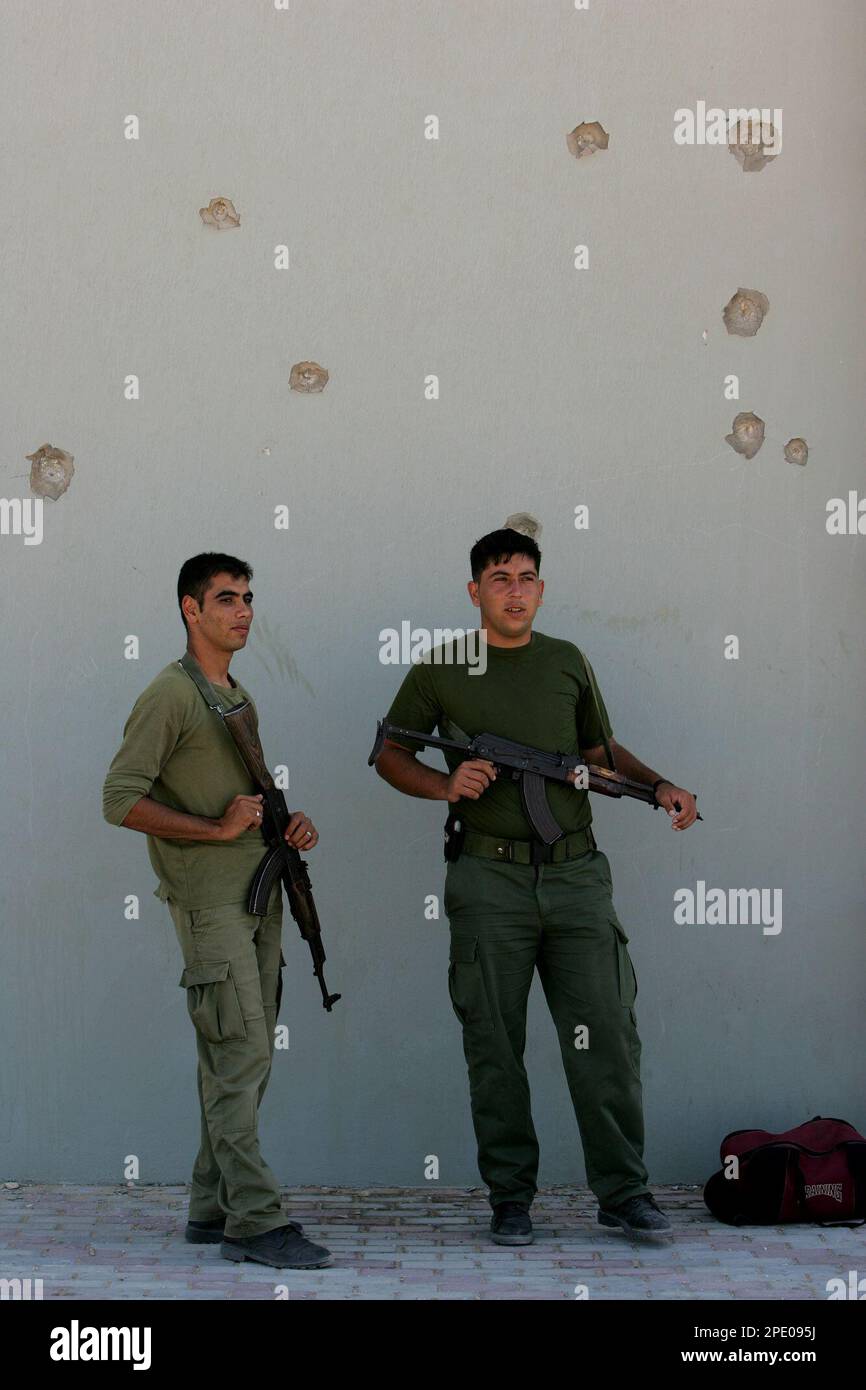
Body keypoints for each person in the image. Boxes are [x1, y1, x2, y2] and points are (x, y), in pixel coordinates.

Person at [373, 527, 699, 1245]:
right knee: (494, 1041)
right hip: (488, 877)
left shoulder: (567, 660)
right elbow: (389, 752)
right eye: (499, 578)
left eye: (525, 577)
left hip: (578, 876)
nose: (514, 589)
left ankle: (624, 1192)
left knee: (608, 1032)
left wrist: (660, 785)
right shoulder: (441, 668)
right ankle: (511, 1199)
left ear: (541, 589)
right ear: (474, 592)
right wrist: (444, 783)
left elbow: (597, 753)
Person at [102, 552, 331, 1269]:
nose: (243, 611)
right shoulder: (171, 695)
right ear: (189, 609)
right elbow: (118, 799)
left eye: (248, 598)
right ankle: (256, 1223)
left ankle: (211, 1206)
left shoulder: (232, 693)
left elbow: (242, 799)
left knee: (240, 1056)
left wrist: (283, 826)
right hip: (211, 903)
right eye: (226, 599)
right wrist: (215, 831)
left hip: (257, 891)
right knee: (242, 1051)